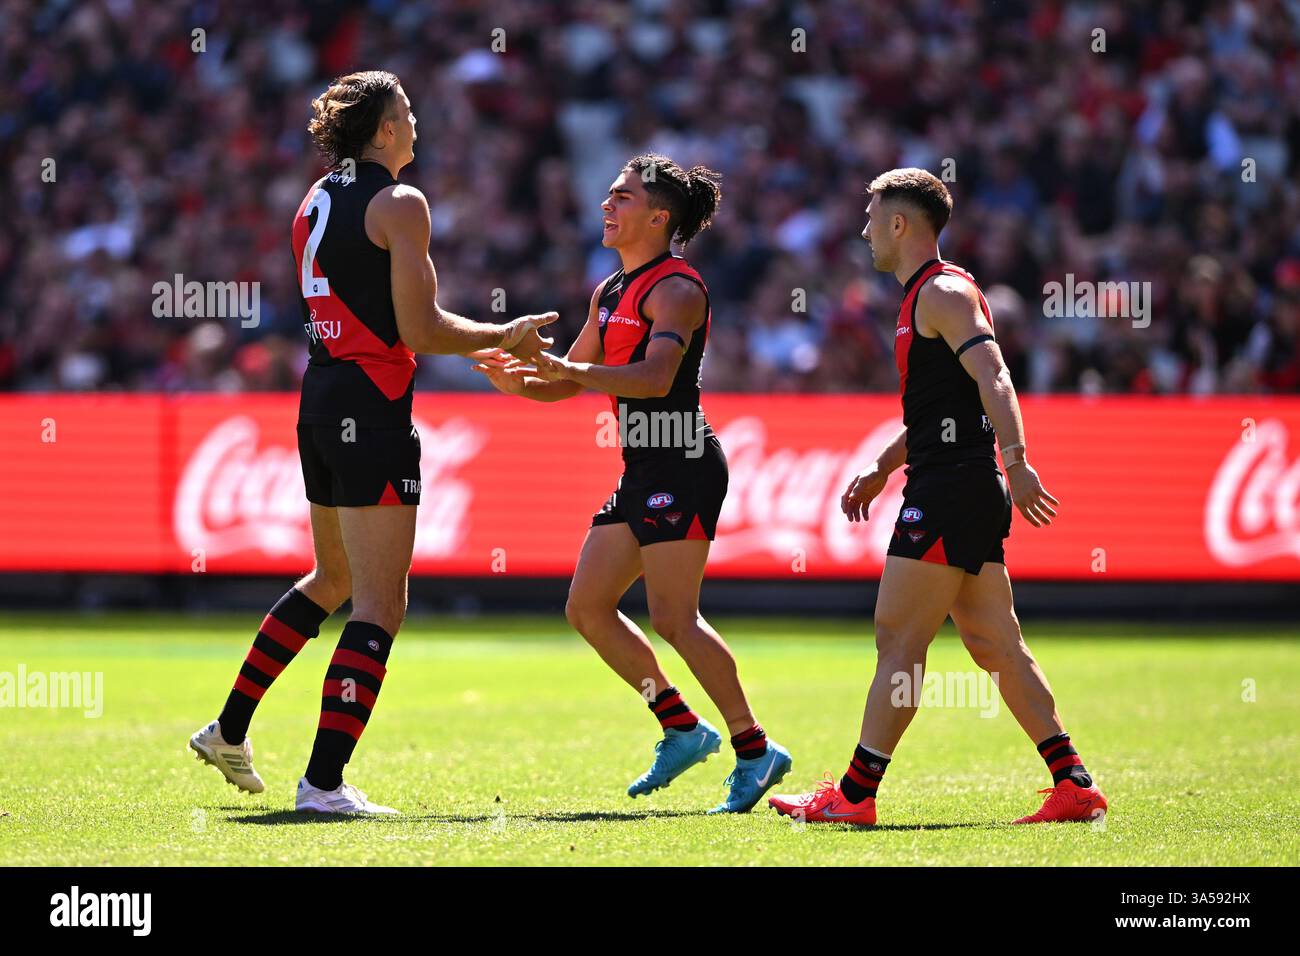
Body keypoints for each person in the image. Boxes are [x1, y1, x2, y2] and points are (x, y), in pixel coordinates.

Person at [187, 70, 556, 815]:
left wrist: (462, 342)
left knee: (330, 579)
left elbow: (366, 310)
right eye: (408, 113)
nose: (417, 125)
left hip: (320, 398)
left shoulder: (314, 198)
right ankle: (323, 785)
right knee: (381, 602)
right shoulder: (400, 201)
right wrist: (502, 333)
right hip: (373, 404)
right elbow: (418, 330)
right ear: (384, 130)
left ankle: (229, 730)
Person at [769, 168, 1108, 826]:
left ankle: (856, 794)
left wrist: (1019, 463)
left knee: (899, 639)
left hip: (952, 488)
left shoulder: (943, 292)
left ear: (901, 225)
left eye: (872, 219)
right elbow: (938, 413)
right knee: (996, 644)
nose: (865, 232)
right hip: (958, 483)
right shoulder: (928, 298)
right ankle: (1075, 784)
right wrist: (880, 467)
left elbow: (996, 378)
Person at [472, 154, 792, 813]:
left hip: (683, 462)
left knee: (676, 617)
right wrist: (519, 381)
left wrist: (554, 366)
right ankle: (680, 726)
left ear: (658, 216)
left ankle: (755, 749)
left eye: (622, 196)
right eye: (610, 194)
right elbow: (569, 379)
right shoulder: (610, 290)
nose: (607, 205)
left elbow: (654, 380)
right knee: (588, 608)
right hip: (644, 467)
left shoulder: (677, 288)